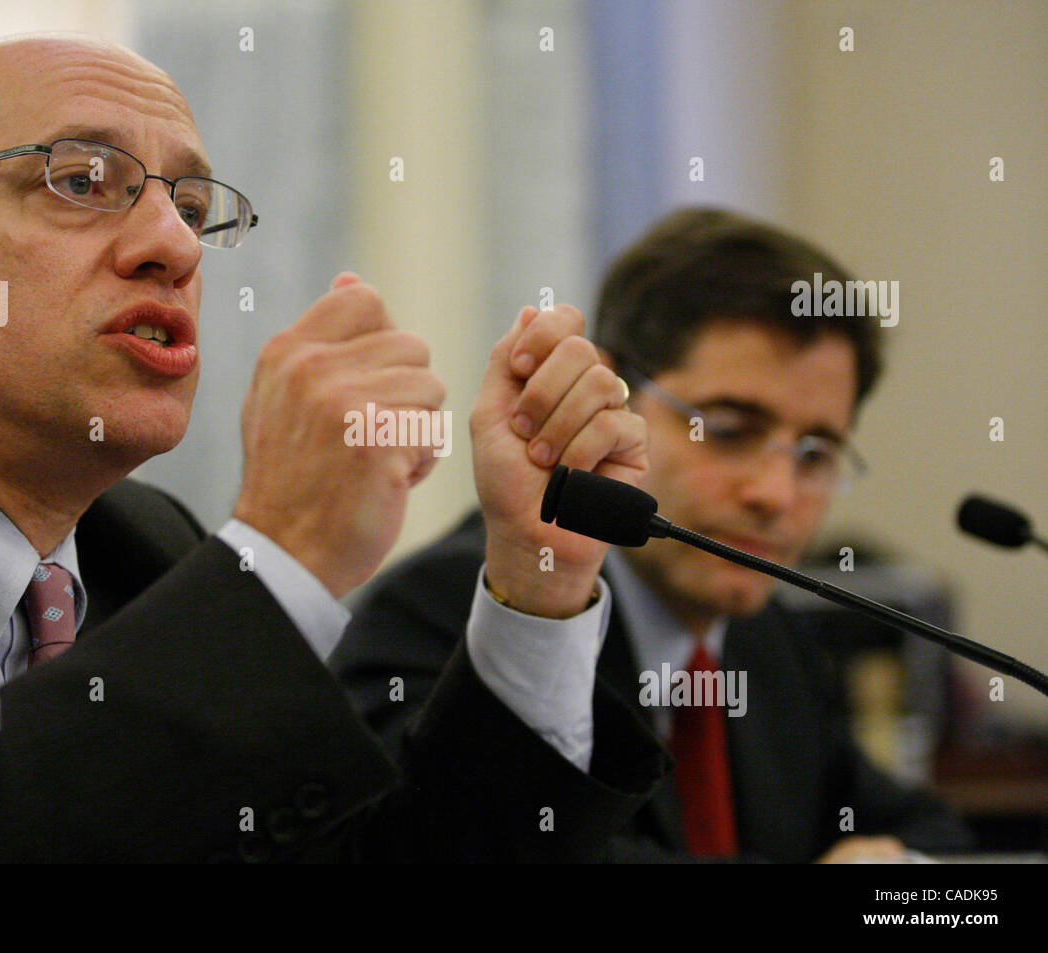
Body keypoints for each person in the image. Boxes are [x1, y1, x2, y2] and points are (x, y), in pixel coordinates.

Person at [0, 34, 667, 862]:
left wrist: (537, 584)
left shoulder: (144, 553)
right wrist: (275, 561)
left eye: (191, 207)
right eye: (81, 181)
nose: (173, 247)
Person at [330, 207, 975, 863]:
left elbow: (927, 829)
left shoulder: (768, 636)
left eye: (815, 453)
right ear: (607, 401)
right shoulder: (457, 607)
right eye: (727, 429)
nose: (775, 494)